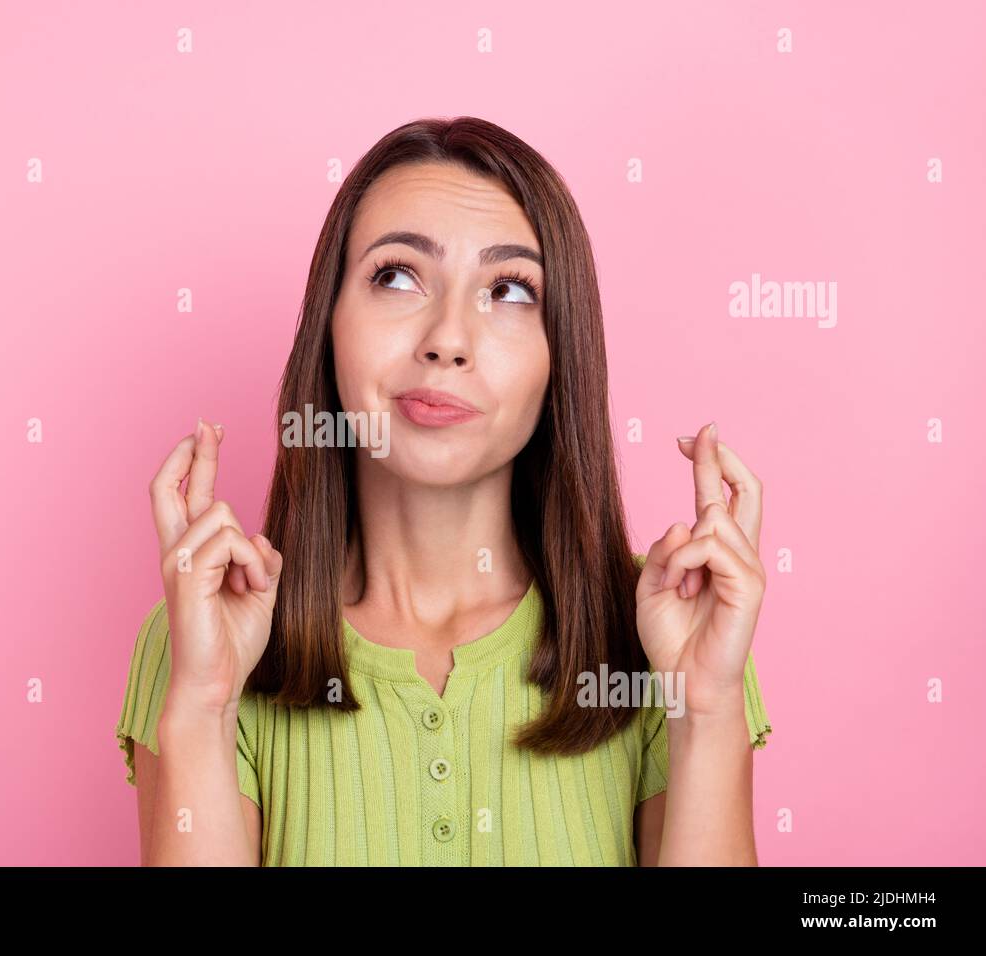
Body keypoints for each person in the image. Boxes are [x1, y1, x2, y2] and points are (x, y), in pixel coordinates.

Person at [115, 116, 771, 866]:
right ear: (328, 324)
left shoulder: (674, 637)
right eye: (397, 275)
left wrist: (707, 708)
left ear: (562, 354)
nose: (448, 338)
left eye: (509, 290)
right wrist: (204, 705)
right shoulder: (203, 636)